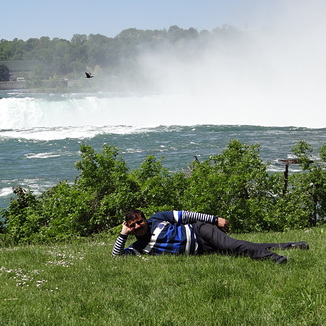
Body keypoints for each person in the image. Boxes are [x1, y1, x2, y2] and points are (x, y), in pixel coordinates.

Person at [112, 210, 309, 264]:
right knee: (241, 246)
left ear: (145, 219)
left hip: (201, 231)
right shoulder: (139, 247)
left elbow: (187, 215)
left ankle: (275, 258)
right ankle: (291, 245)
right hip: (203, 249)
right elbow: (116, 257)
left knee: (235, 246)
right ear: (129, 228)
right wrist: (122, 235)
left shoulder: (158, 218)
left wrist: (214, 220)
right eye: (132, 225)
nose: (137, 226)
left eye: (139, 221)